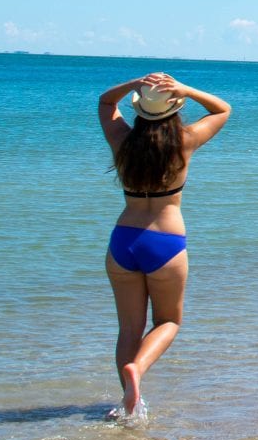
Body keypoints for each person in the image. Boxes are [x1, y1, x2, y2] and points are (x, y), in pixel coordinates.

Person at [97, 72, 232, 418]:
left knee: (129, 327)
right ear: (174, 109)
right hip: (165, 242)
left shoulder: (122, 141)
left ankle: (131, 402)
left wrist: (134, 84)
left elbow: (105, 102)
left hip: (124, 239)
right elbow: (222, 110)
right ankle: (137, 372)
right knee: (168, 321)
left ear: (140, 110)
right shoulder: (184, 142)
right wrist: (185, 89)